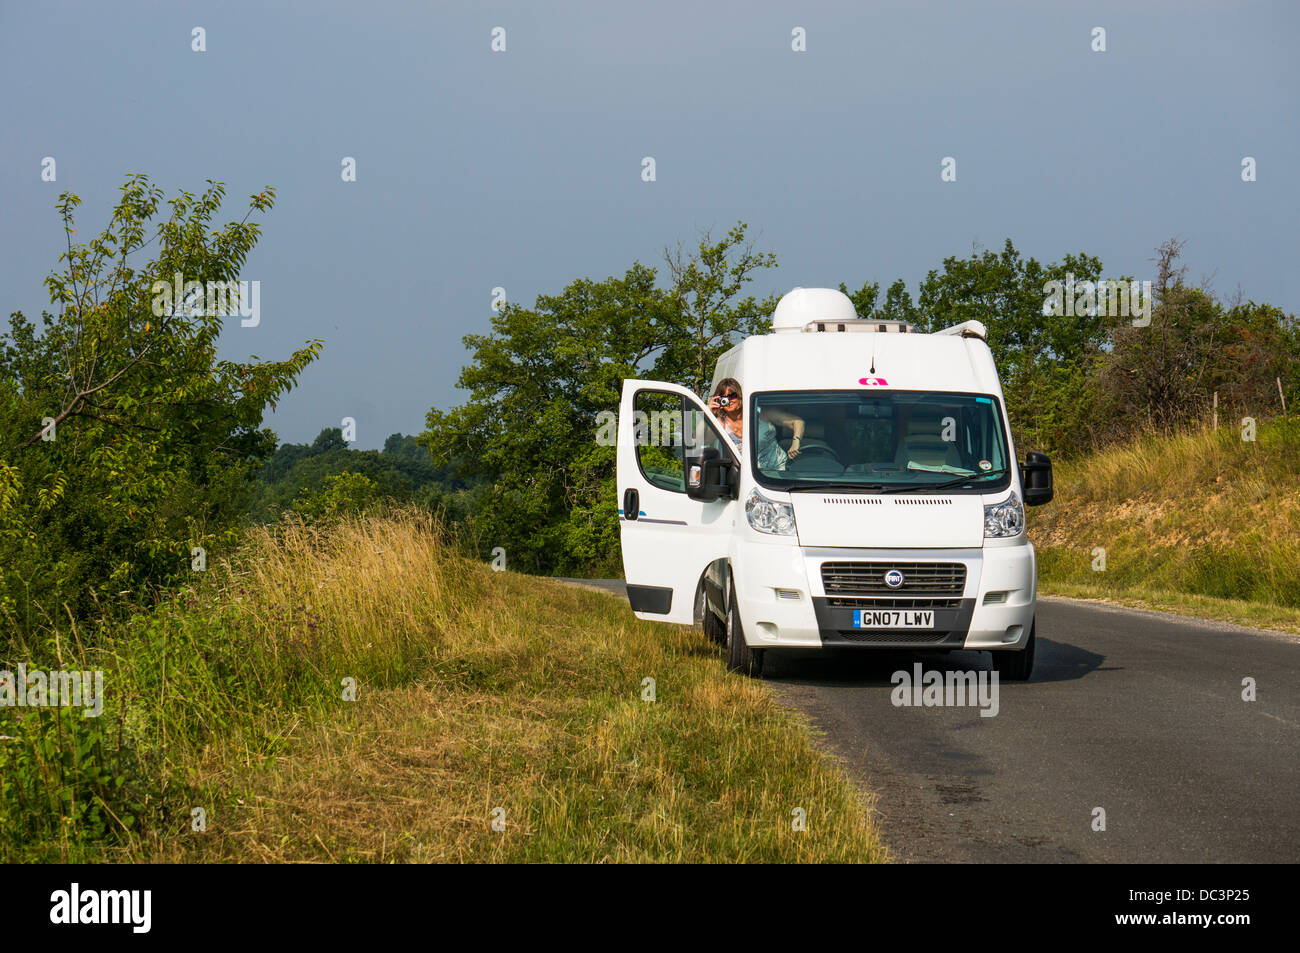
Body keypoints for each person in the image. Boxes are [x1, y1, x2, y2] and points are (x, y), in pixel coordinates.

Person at [708, 378, 805, 471]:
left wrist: (795, 442)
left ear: (740, 396)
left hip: (778, 470)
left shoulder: (762, 414)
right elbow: (701, 440)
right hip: (746, 475)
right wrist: (708, 413)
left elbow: (798, 422)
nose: (729, 401)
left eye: (732, 396)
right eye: (724, 398)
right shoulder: (720, 423)